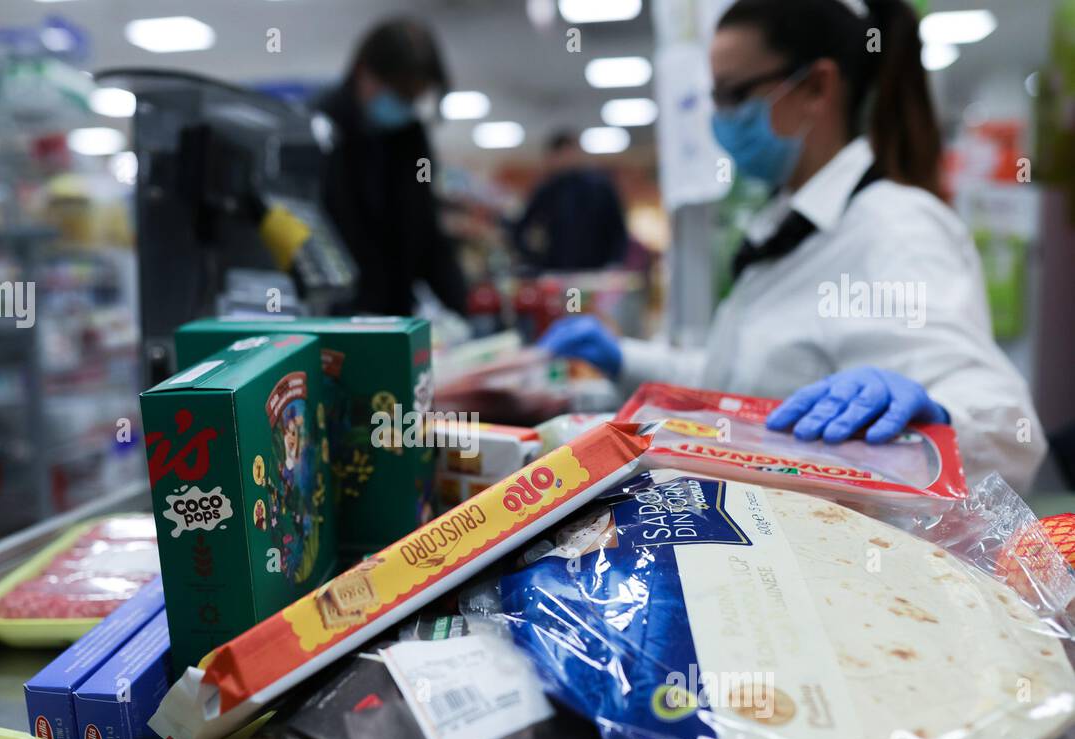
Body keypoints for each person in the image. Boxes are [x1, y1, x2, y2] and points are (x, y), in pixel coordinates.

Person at [540, 0, 1046, 490]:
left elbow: (1006, 429)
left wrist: (936, 414)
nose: (719, 118)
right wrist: (624, 358)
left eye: (734, 95)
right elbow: (744, 378)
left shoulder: (895, 225)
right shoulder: (784, 226)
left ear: (817, 87)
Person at [313, 18, 467, 317]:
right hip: (337, 312)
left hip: (396, 310)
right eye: (398, 92)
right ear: (363, 71)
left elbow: (424, 225)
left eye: (414, 96)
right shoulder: (320, 127)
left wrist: (460, 305)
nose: (404, 104)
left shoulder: (410, 137)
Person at [512, 132, 630, 272]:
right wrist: (535, 261)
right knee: (570, 294)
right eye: (561, 155)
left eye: (569, 152)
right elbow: (522, 227)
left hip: (597, 270)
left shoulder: (600, 187)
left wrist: (614, 262)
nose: (566, 159)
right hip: (558, 270)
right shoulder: (547, 190)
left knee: (578, 294)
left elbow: (618, 228)